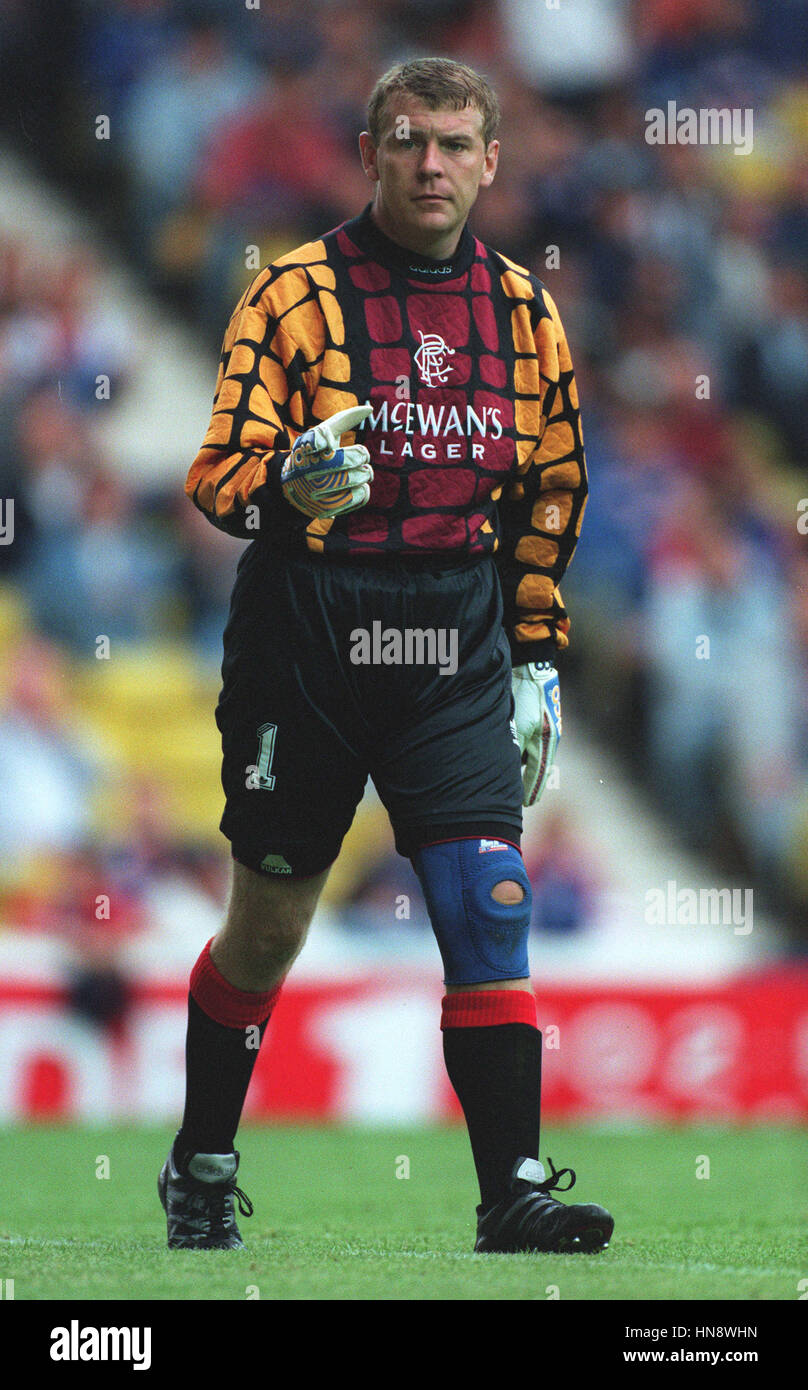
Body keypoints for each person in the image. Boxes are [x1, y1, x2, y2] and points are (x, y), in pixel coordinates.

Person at [160, 57, 613, 1256]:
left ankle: (511, 1191)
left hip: (450, 637)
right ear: (369, 151)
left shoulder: (525, 312)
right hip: (305, 633)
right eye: (408, 140)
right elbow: (213, 473)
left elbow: (552, 491)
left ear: (490, 162)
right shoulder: (295, 293)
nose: (431, 165)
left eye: (456, 145)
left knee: (489, 896)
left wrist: (534, 653)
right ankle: (202, 1158)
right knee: (271, 924)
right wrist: (286, 482)